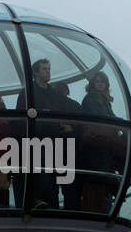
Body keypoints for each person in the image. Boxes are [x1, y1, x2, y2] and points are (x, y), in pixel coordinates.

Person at [15, 59, 60, 208]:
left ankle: (49, 203)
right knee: (41, 174)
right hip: (34, 141)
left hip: (52, 141)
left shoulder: (52, 93)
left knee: (50, 175)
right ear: (35, 72)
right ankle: (39, 201)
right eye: (44, 69)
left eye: (49, 69)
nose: (48, 72)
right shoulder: (28, 92)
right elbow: (20, 118)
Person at [79, 71, 122, 213]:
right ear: (92, 84)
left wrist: (121, 123)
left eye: (102, 81)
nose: (99, 84)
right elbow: (99, 118)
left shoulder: (104, 101)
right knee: (99, 181)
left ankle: (107, 201)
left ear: (106, 84)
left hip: (104, 147)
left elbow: (111, 117)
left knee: (108, 178)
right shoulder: (90, 99)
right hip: (95, 147)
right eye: (97, 81)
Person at [50, 81, 83, 209]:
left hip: (56, 146)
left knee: (53, 183)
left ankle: (53, 210)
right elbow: (82, 126)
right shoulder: (74, 105)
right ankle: (71, 209)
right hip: (68, 147)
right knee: (68, 184)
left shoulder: (50, 105)